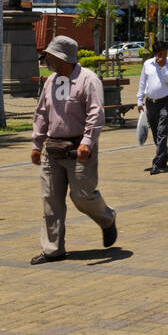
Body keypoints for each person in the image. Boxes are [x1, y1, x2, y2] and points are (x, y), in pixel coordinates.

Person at [29, 36, 117, 264]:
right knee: (51, 199)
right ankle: (53, 249)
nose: (47, 59)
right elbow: (41, 112)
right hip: (53, 148)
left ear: (62, 57)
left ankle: (107, 219)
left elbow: (96, 113)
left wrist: (87, 142)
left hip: (79, 148)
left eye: (50, 56)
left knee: (82, 196)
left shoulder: (88, 79)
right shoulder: (50, 81)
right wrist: (37, 144)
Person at [137, 39, 168, 175]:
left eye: (165, 53)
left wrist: (163, 68)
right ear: (155, 54)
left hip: (165, 102)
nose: (163, 57)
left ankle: (157, 162)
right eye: (160, 54)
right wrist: (139, 100)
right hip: (150, 103)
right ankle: (164, 156)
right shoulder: (147, 64)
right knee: (155, 132)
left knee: (162, 132)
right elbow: (143, 82)